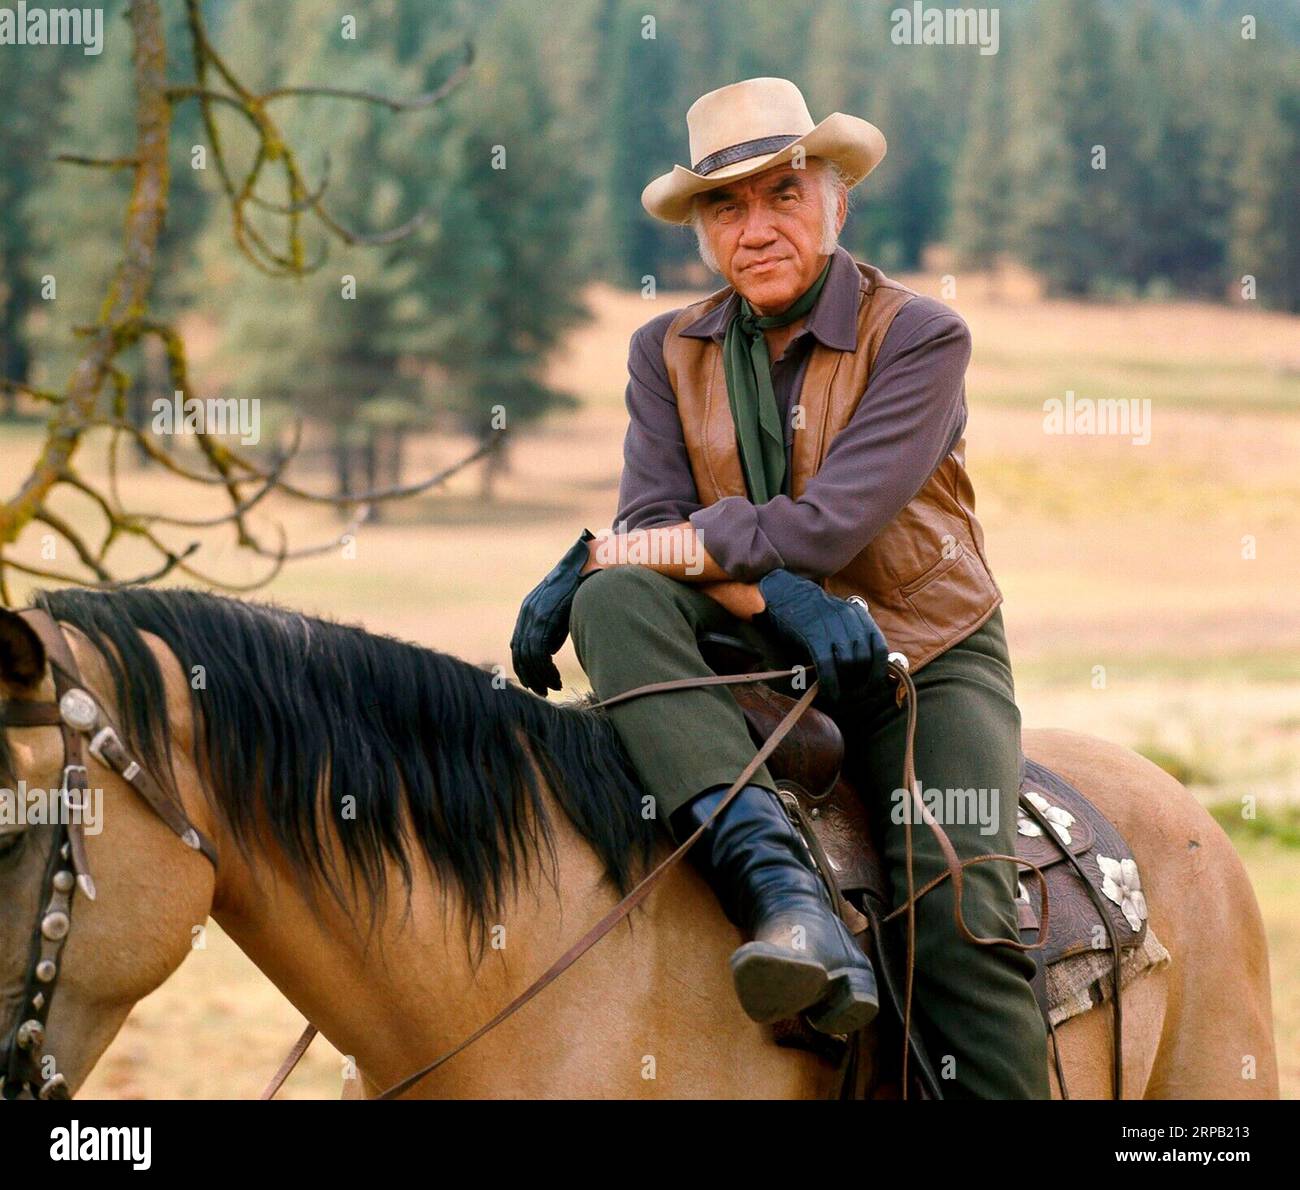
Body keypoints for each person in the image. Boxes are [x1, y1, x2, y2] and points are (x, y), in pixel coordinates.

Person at [511, 78, 1050, 1098]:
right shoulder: (663, 350)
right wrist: (650, 570)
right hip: (751, 628)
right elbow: (648, 527)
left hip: (912, 651)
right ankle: (785, 898)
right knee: (615, 601)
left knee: (956, 908)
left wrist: (618, 550)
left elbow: (826, 526)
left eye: (782, 195)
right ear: (703, 229)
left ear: (836, 200)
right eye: (726, 206)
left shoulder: (920, 336)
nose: (755, 228)